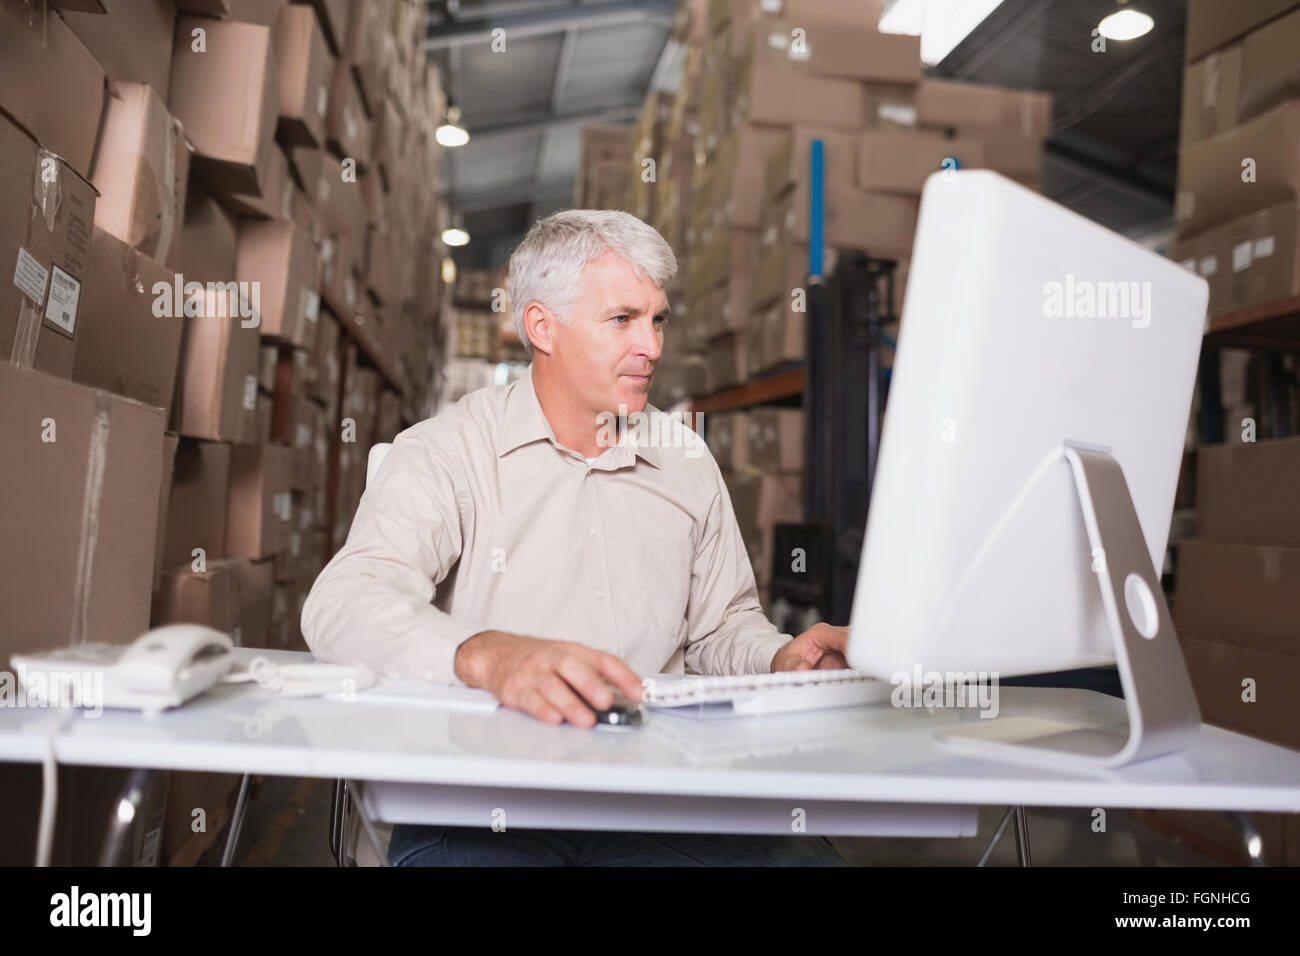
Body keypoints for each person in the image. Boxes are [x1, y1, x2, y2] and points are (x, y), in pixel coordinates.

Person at [302, 210, 850, 866]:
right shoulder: (447, 452)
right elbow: (343, 601)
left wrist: (777, 659)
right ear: (542, 327)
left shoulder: (686, 461)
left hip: (657, 789)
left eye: (658, 319)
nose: (651, 346)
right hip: (484, 795)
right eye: (622, 319)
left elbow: (718, 630)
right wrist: (486, 656)